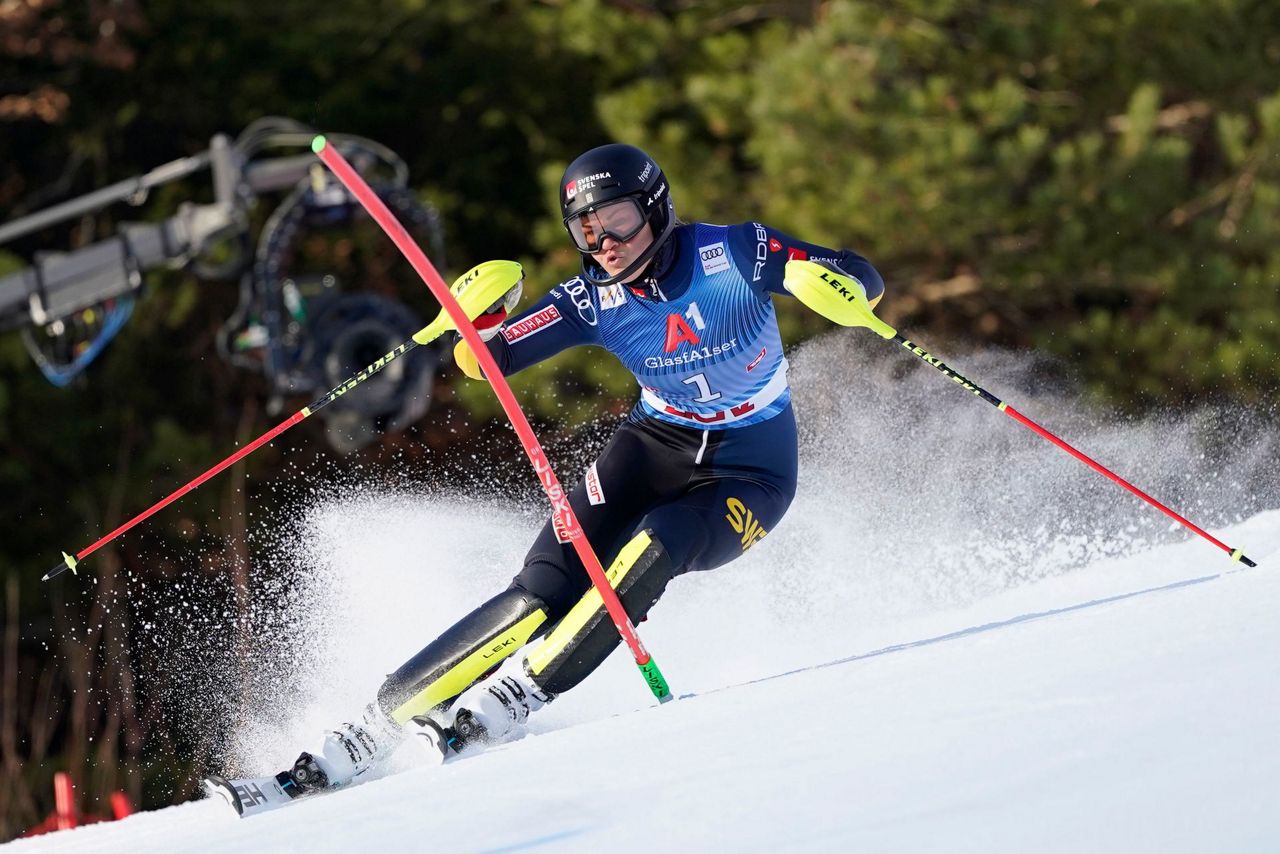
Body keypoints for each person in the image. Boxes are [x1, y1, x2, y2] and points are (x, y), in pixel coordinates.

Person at [283, 143, 885, 794]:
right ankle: (373, 727)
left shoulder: (736, 252)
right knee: (541, 591)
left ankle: (523, 692)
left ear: (657, 208)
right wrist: (471, 335)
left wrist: (830, 285)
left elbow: (857, 273)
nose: (605, 242)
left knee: (660, 543)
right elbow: (493, 358)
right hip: (654, 447)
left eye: (617, 219)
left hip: (753, 472)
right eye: (586, 229)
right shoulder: (591, 299)